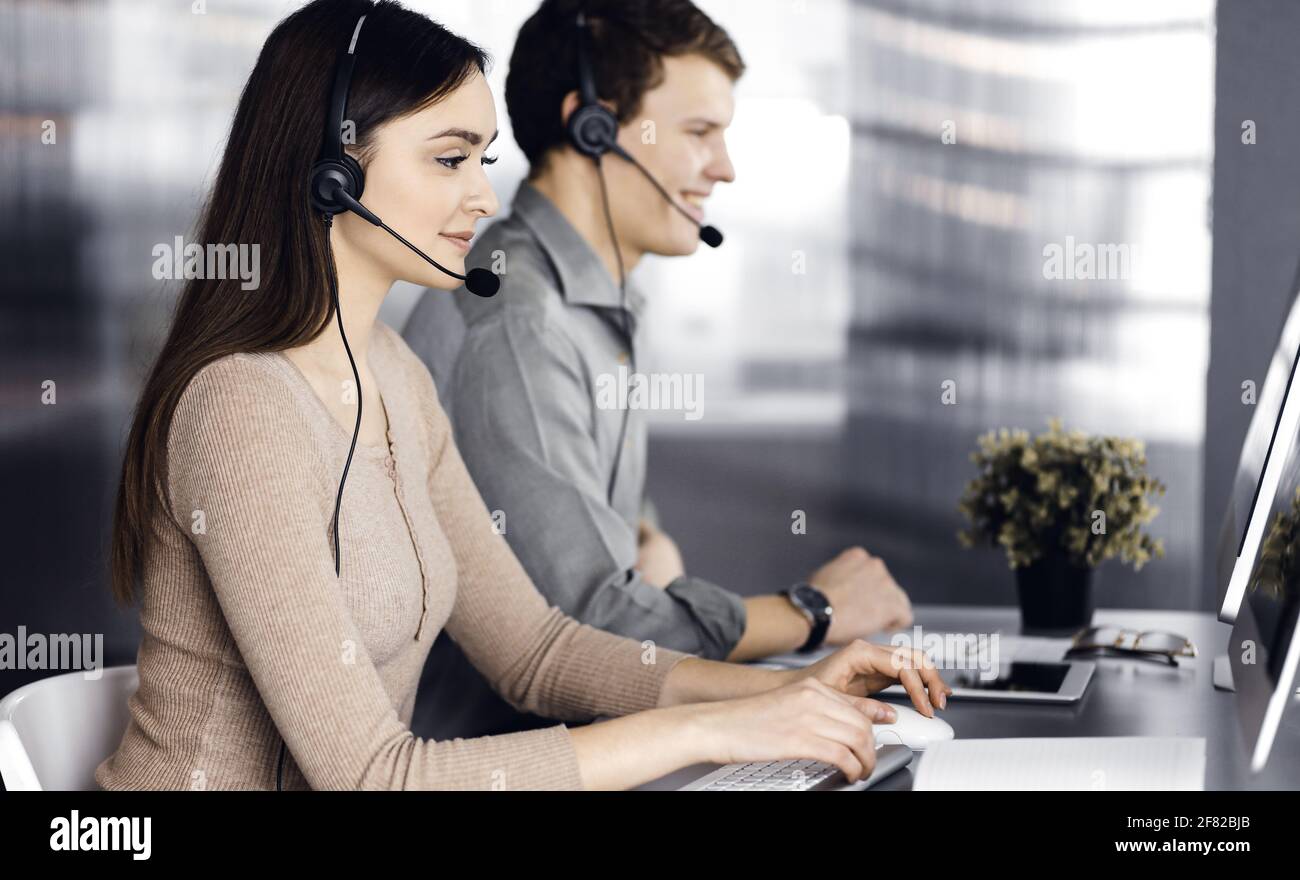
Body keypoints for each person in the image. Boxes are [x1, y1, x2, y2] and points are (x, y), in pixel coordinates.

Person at [98, 0, 947, 791]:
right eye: (449, 158)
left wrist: (779, 692)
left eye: (484, 160)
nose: (481, 195)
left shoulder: (394, 375)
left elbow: (536, 650)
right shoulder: (241, 405)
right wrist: (717, 731)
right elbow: (374, 777)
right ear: (332, 173)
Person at [403, 0, 915, 741]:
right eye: (699, 132)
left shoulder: (589, 305)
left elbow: (614, 546)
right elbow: (591, 627)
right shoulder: (521, 326)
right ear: (595, 128)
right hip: (503, 757)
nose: (725, 168)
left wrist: (645, 552)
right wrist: (814, 612)